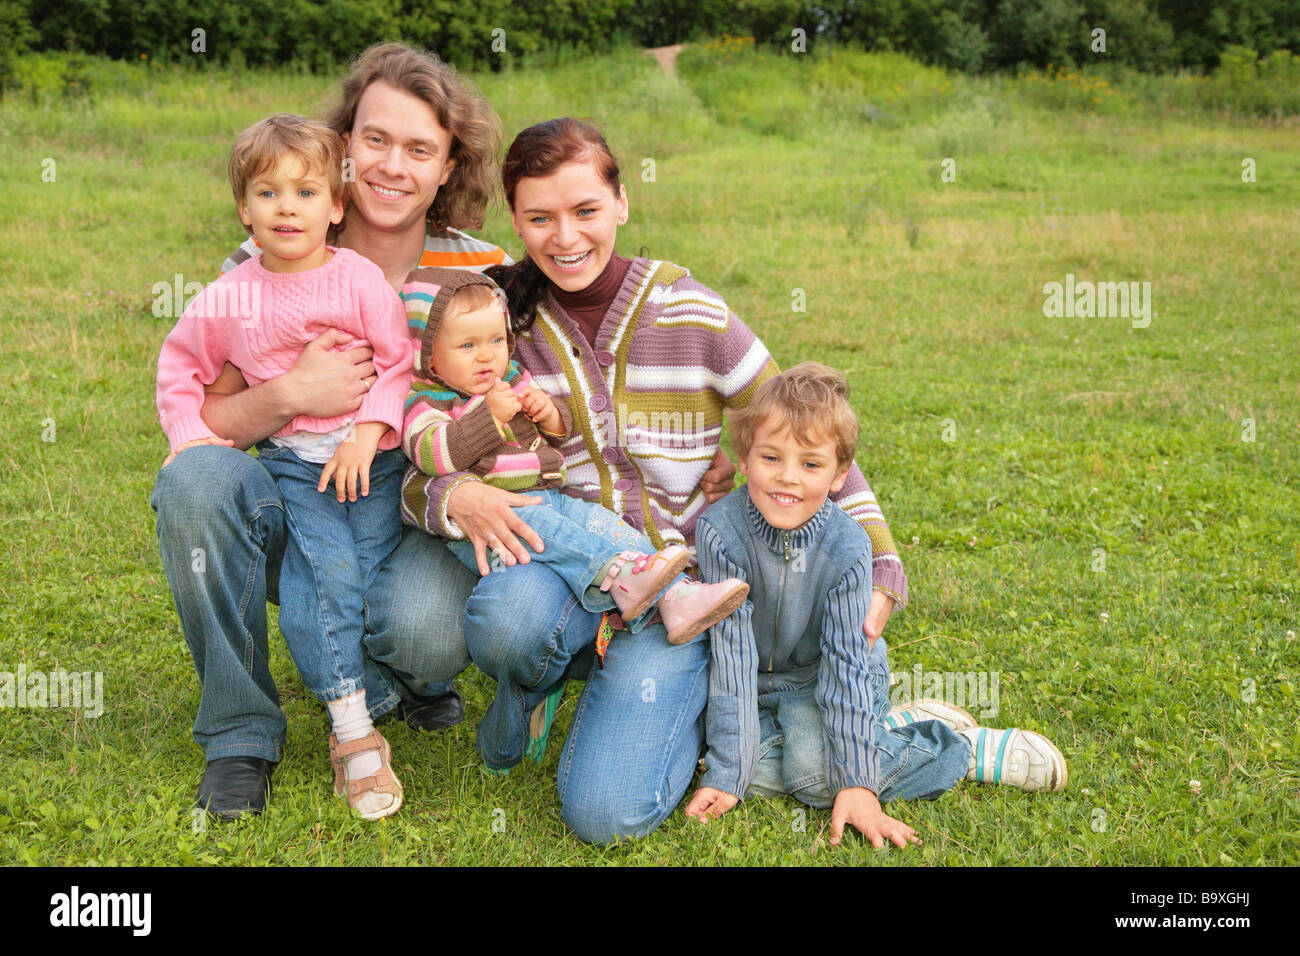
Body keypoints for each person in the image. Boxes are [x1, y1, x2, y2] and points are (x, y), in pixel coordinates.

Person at [400, 118, 916, 841]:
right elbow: (418, 450)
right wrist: (455, 493)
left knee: (605, 815)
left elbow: (806, 433)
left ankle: (699, 703)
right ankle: (545, 682)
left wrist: (881, 558)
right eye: (539, 217)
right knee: (506, 621)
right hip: (564, 574)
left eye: (585, 210)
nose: (565, 237)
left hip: (685, 593)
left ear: (621, 203)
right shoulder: (497, 326)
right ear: (513, 220)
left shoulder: (690, 311)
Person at [150, 43, 508, 819]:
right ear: (344, 149)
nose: (392, 165)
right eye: (375, 139)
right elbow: (207, 413)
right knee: (194, 483)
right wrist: (288, 392)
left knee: (420, 630)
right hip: (298, 483)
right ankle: (241, 733)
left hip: (408, 501)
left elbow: (509, 400)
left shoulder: (480, 269)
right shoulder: (270, 255)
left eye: (421, 149)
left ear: (449, 166)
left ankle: (405, 679)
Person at [684, 364, 1068, 848]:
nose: (787, 478)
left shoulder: (847, 546)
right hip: (756, 686)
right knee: (741, 770)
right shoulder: (720, 533)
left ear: (840, 474)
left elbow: (844, 666)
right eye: (771, 457)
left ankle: (957, 751)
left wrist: (858, 784)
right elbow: (732, 659)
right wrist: (726, 775)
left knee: (812, 774)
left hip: (825, 676)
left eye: (810, 464)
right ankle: (888, 729)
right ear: (745, 458)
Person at [156, 114, 416, 819]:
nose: (286, 208)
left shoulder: (358, 278)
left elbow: (398, 363)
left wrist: (368, 432)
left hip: (374, 464)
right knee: (319, 585)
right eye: (267, 194)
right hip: (299, 469)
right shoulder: (231, 295)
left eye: (305, 193)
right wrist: (188, 435)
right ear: (244, 209)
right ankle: (355, 737)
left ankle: (387, 687)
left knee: (360, 589)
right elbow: (180, 369)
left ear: (337, 206)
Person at [400, 267, 749, 767]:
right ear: (428, 353)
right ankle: (626, 579)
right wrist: (488, 417)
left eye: (496, 341)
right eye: (467, 346)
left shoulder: (509, 380)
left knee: (607, 528)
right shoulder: (426, 401)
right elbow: (434, 455)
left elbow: (558, 439)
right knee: (570, 546)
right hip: (499, 522)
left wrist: (548, 414)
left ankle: (674, 593)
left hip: (550, 500)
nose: (486, 356)